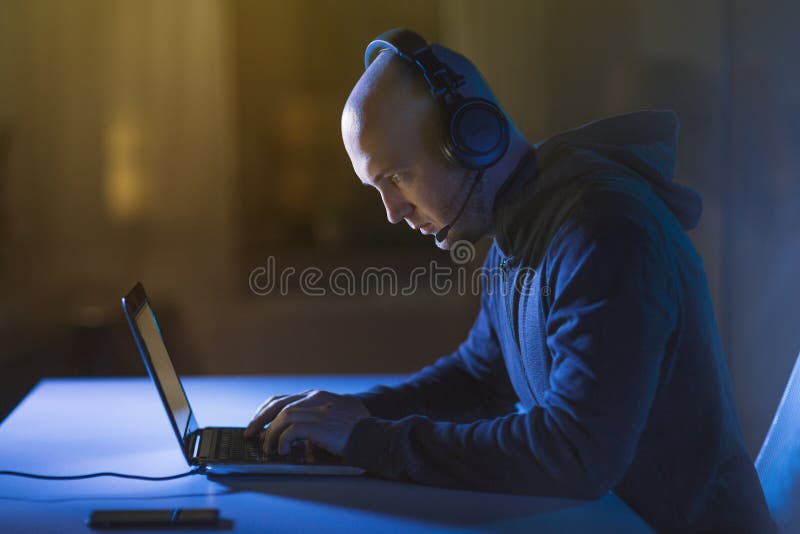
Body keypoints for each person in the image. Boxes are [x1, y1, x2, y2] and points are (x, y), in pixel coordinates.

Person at [243, 29, 774, 531]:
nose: (391, 212)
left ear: (472, 137)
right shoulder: (522, 228)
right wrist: (354, 414)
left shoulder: (605, 232)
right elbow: (479, 378)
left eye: (397, 175)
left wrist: (367, 442)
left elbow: (575, 453)